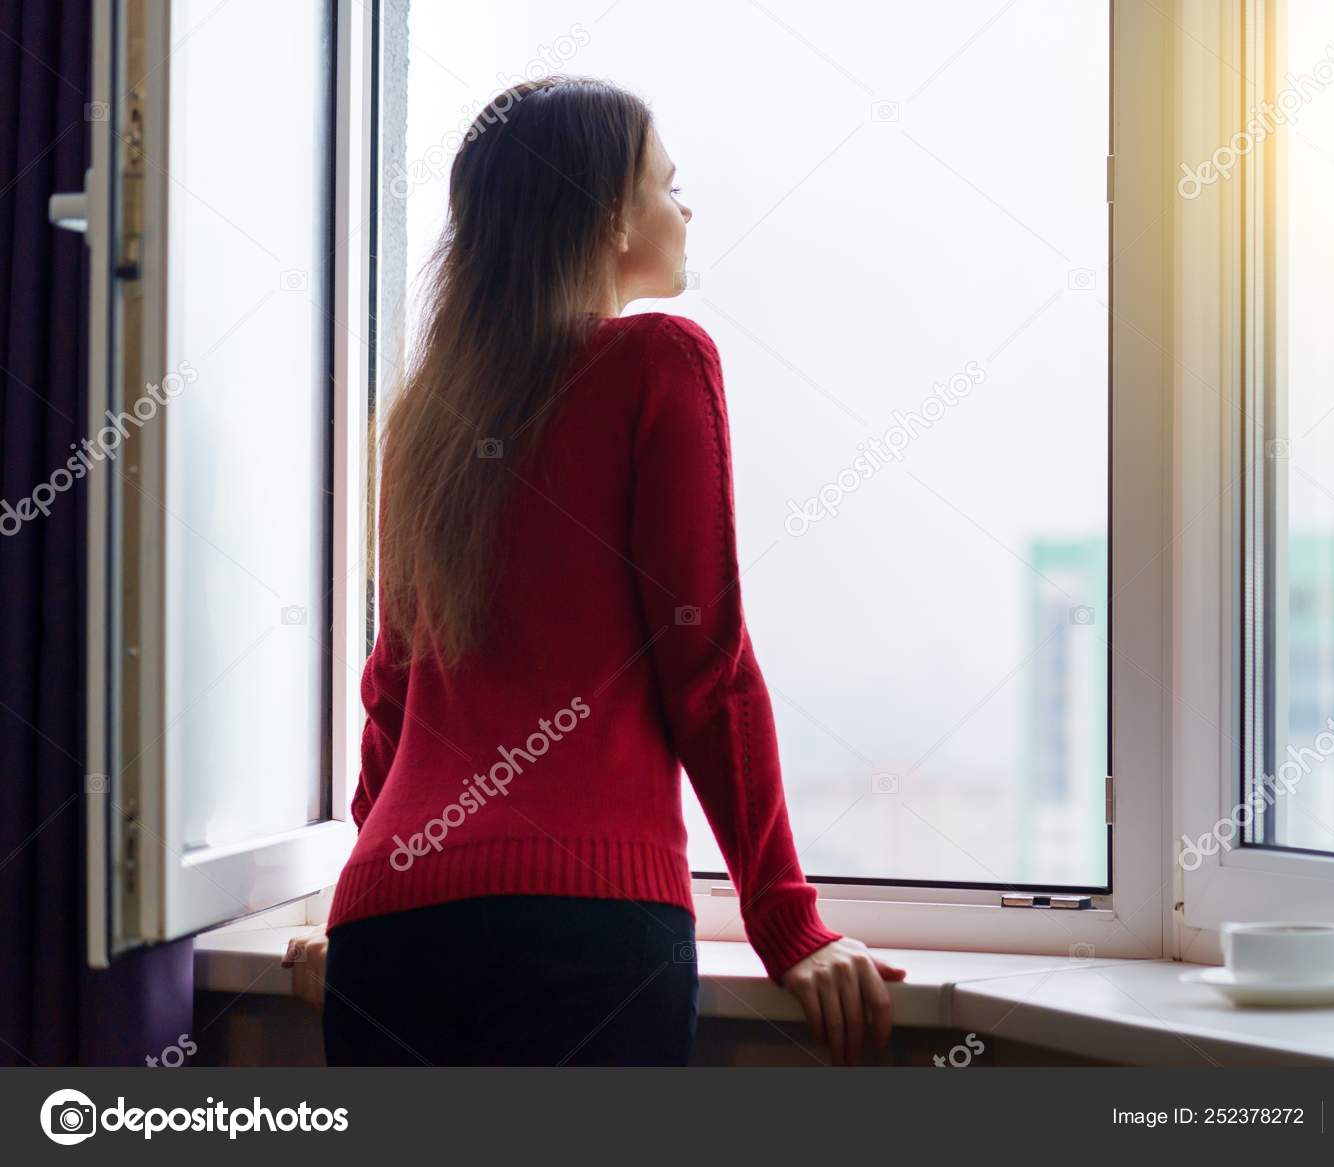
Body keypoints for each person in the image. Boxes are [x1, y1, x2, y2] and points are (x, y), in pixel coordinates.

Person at [299, 76, 904, 1067]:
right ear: (613, 215)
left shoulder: (426, 419)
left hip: (386, 933)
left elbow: (393, 694)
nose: (686, 207)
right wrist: (787, 923)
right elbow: (705, 664)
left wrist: (350, 898)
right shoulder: (660, 361)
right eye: (669, 184)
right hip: (582, 932)